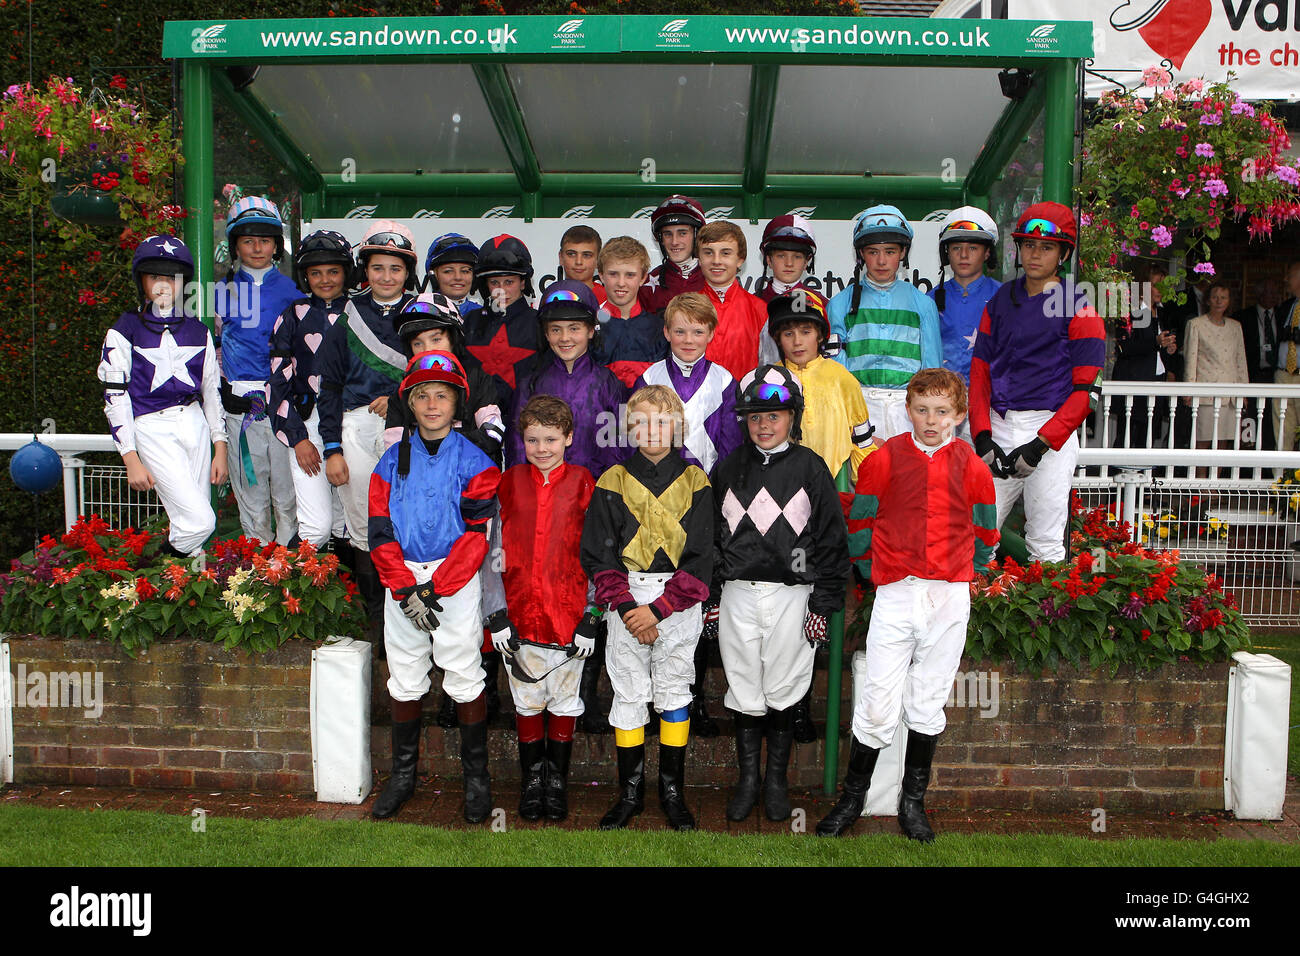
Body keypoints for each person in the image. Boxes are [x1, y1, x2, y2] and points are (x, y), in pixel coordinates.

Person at [818, 368, 998, 840]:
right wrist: (867, 572)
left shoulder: (972, 464)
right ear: (907, 410)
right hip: (896, 591)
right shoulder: (884, 458)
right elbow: (861, 521)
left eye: (942, 412)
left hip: (949, 593)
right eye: (922, 410)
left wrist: (968, 571)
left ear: (960, 415)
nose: (931, 420)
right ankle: (852, 799)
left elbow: (986, 531)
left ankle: (912, 802)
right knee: (878, 698)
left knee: (929, 698)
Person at [708, 364, 849, 822]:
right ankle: (747, 781)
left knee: (785, 688)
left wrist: (823, 604)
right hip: (737, 594)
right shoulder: (727, 468)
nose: (764, 425)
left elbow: (831, 542)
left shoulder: (811, 467)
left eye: (774, 415)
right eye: (754, 417)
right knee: (745, 686)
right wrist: (711, 596)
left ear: (793, 416)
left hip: (793, 596)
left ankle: (775, 783)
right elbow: (709, 538)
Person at [368, 350, 501, 824]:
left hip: (453, 580)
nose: (430, 404)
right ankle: (403, 778)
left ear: (457, 402)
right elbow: (379, 528)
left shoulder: (476, 458)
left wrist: (435, 589)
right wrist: (406, 589)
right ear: (410, 401)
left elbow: (476, 534)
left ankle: (476, 781)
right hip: (402, 577)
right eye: (421, 395)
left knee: (462, 671)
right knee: (403, 674)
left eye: (440, 396)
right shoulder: (389, 458)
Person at [580, 385, 714, 831]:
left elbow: (701, 556)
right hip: (625, 604)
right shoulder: (612, 479)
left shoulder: (696, 480)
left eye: (661, 421)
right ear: (628, 427)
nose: (651, 430)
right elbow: (598, 553)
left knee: (675, 693)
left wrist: (659, 610)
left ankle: (672, 792)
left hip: (677, 603)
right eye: (642, 421)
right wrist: (626, 607)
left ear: (677, 426)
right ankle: (630, 793)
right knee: (629, 693)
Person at [968, 202, 1105, 563]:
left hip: (1050, 430)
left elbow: (1086, 393)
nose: (1035, 254)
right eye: (1028, 245)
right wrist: (982, 434)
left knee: (1044, 543)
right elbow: (980, 373)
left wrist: (1041, 445)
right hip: (998, 426)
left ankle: (1044, 619)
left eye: (1046, 247)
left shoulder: (1080, 307)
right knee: (975, 539)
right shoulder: (999, 301)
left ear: (1063, 253)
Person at [635, 292, 742, 737]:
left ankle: (688, 697)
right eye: (679, 330)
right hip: (655, 494)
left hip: (704, 498)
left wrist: (708, 488)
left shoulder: (723, 379)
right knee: (651, 585)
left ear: (712, 334)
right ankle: (643, 697)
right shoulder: (649, 375)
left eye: (698, 331)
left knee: (694, 592)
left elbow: (732, 444)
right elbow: (636, 433)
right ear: (666, 332)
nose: (688, 338)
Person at [495, 395, 597, 821]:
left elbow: (597, 552)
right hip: (519, 611)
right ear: (522, 441)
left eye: (551, 439)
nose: (542, 448)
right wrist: (495, 611)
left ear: (568, 438)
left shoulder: (584, 482)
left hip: (567, 611)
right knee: (527, 699)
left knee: (563, 700)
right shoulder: (509, 481)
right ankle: (531, 780)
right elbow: (490, 548)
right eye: (533, 439)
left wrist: (593, 614)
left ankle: (557, 781)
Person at [319, 220, 418, 643]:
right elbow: (329, 386)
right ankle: (374, 626)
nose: (386, 276)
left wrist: (398, 398)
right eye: (378, 268)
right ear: (366, 269)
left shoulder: (424, 311)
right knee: (362, 528)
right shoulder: (347, 315)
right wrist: (332, 448)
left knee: (408, 523)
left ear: (407, 271)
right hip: (356, 425)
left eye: (395, 269)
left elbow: (443, 373)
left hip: (415, 424)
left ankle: (411, 621)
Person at [98, 235, 228, 557]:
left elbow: (212, 393)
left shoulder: (199, 330)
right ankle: (149, 567)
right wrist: (131, 459)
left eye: (171, 277)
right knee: (201, 522)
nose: (164, 285)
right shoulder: (123, 329)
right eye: (155, 276)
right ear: (141, 279)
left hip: (195, 424)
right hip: (152, 428)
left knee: (190, 525)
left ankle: (185, 595)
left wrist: (220, 447)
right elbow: (115, 399)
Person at [213, 196, 302, 546]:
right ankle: (256, 569)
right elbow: (218, 347)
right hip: (241, 405)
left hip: (282, 403)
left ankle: (294, 565)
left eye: (265, 240)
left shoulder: (294, 292)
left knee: (286, 489)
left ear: (277, 245)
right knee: (250, 489)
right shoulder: (221, 292)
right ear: (235, 245)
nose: (257, 248)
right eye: (248, 240)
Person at [270, 229, 356, 551]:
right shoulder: (292, 315)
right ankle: (278, 589)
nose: (325, 280)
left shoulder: (360, 313)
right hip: (308, 426)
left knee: (348, 524)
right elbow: (278, 381)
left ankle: (345, 596)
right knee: (316, 528)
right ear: (305, 276)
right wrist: (298, 438)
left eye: (333, 271)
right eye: (315, 273)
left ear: (347, 272)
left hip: (353, 422)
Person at [829, 204, 943, 440]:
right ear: (861, 254)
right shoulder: (839, 304)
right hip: (859, 404)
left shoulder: (923, 304)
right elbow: (836, 370)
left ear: (902, 252)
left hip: (908, 406)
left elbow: (932, 369)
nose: (881, 261)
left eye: (890, 252)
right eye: (873, 252)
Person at [506, 281, 628, 478]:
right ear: (545, 334)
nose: (564, 338)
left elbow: (621, 447)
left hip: (596, 498)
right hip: (542, 498)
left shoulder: (609, 384)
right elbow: (517, 449)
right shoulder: (530, 385)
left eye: (574, 328)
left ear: (590, 331)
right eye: (555, 329)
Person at [770, 289, 876, 479]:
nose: (797, 341)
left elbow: (862, 440)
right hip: (783, 481)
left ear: (820, 336)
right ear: (777, 339)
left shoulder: (841, 377)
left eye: (806, 332)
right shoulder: (770, 379)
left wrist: (866, 486)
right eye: (788, 334)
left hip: (835, 481)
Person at [929, 206, 1002, 394]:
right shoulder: (929, 300)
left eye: (973, 248)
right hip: (942, 399)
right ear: (946, 253)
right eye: (956, 248)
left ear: (987, 253)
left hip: (990, 400)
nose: (963, 255)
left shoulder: (1005, 298)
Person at [463, 235, 539, 408]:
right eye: (494, 282)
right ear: (485, 284)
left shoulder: (539, 323)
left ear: (523, 283)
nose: (501, 289)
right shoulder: (470, 321)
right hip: (475, 423)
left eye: (509, 282)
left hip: (524, 421)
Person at [1184, 280, 1250, 465]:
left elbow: (1240, 361)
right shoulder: (1196, 324)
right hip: (1206, 392)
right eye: (1215, 297)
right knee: (1203, 440)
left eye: (1223, 298)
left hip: (1230, 392)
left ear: (1229, 301)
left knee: (1223, 442)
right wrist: (1189, 389)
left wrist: (1244, 391)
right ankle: (1200, 485)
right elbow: (1191, 358)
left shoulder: (1235, 326)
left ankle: (1215, 485)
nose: (1219, 301)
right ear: (1207, 300)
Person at [697, 220, 768, 380]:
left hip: (744, 402)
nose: (716, 260)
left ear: (740, 259)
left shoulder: (759, 309)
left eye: (725, 253)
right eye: (708, 252)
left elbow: (769, 366)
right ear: (699, 258)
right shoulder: (686, 308)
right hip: (696, 401)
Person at [592, 235, 667, 387]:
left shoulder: (659, 328)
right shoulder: (589, 328)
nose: (621, 283)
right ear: (601, 275)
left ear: (642, 278)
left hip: (648, 409)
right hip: (601, 410)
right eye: (613, 274)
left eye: (630, 275)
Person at [755, 215, 819, 365]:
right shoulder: (751, 305)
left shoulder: (821, 305)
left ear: (807, 261)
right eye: (781, 255)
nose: (789, 263)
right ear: (768, 260)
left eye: (797, 256)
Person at [639, 194, 707, 314]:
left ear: (697, 235)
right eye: (668, 234)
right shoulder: (647, 285)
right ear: (660, 239)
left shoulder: (715, 278)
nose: (674, 242)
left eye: (682, 233)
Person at [1269, 263, 1300, 451]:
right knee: (1282, 429)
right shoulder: (1288, 306)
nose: (1285, 280)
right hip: (1283, 375)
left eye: (1289, 275)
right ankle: (1281, 476)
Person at [422, 233, 480, 316]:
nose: (458, 277)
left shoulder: (484, 317)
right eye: (448, 271)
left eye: (465, 271)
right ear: (433, 276)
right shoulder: (421, 313)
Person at [557, 224, 606, 306]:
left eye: (586, 255)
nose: (578, 262)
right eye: (571, 254)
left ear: (598, 260)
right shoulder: (551, 296)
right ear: (561, 257)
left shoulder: (608, 300)